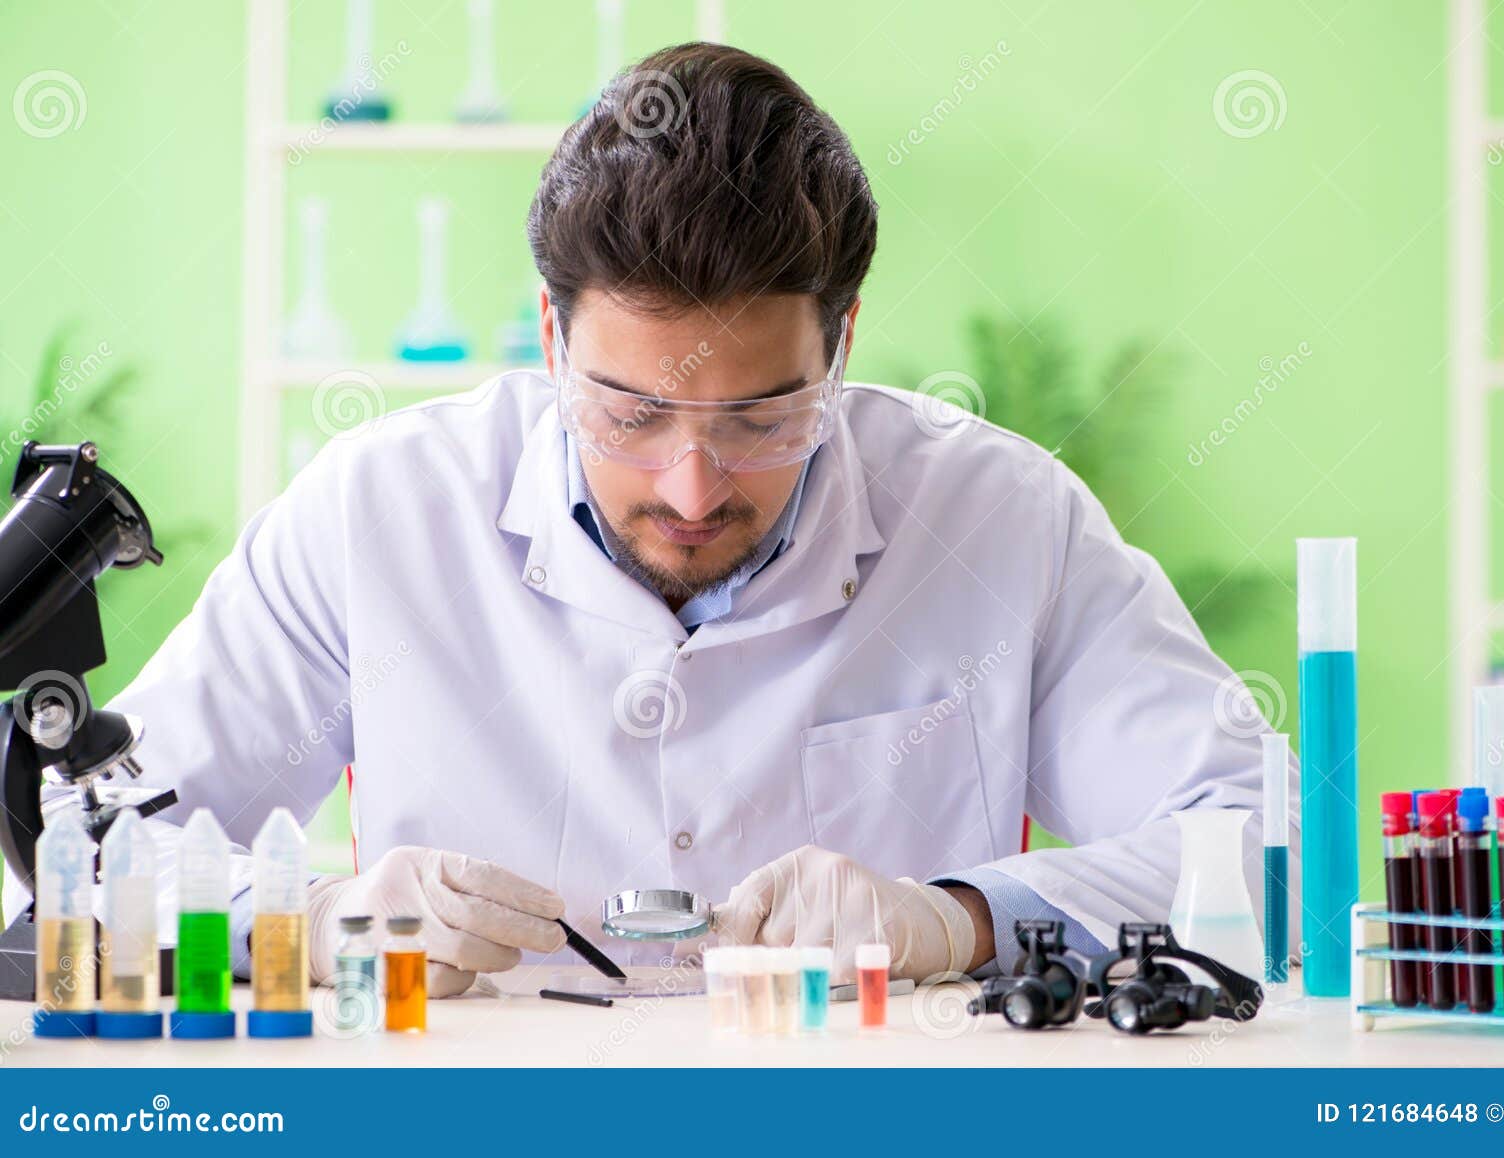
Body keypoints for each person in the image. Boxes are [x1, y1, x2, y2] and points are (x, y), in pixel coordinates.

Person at [10, 42, 1296, 996]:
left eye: (762, 416)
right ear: (554, 334)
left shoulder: (999, 517)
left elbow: (1264, 845)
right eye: (627, 413)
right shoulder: (378, 511)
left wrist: (952, 918)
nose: (691, 488)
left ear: (841, 342)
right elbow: (96, 851)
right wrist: (324, 910)